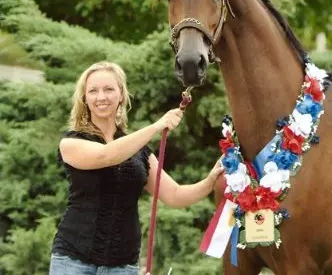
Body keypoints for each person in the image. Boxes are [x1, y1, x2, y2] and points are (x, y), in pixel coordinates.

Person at [49, 61, 223, 275]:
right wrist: (157, 126)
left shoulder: (139, 151)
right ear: (84, 98)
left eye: (109, 89)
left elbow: (175, 195)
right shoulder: (71, 142)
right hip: (73, 260)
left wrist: (211, 180)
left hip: (123, 265)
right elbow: (106, 155)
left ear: (121, 94)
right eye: (93, 91)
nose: (101, 96)